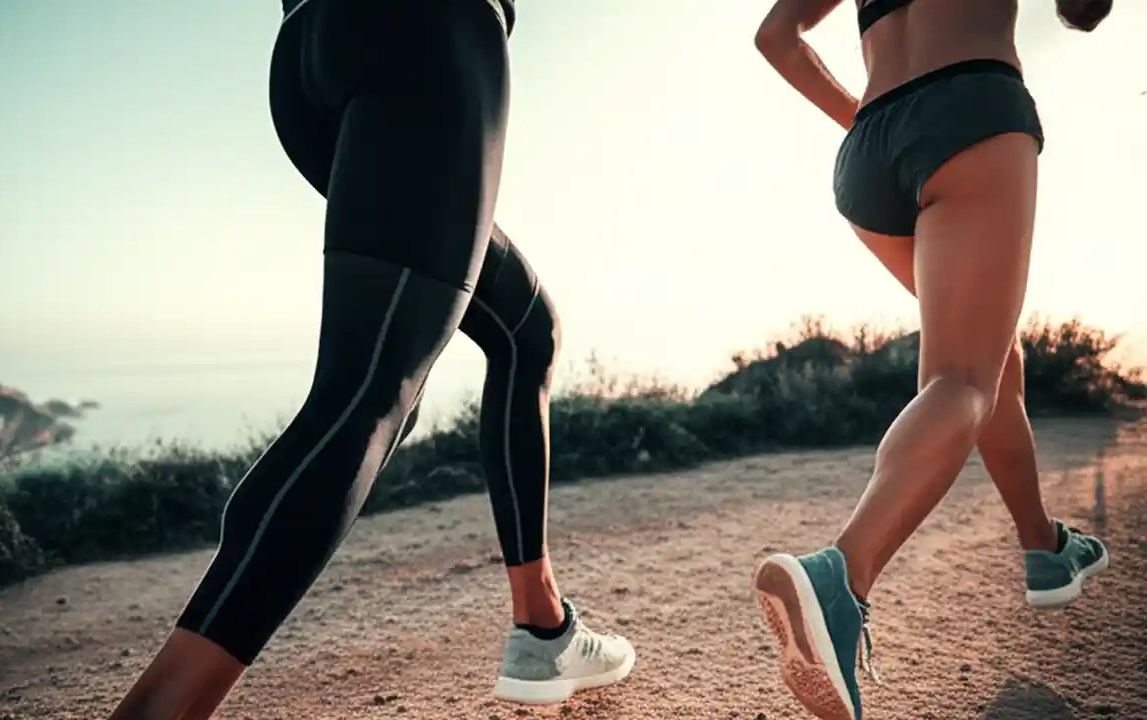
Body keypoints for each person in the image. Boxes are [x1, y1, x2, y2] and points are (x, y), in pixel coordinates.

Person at [109, 0, 635, 717]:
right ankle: (158, 710)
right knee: (366, 396)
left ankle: (542, 628)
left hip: (309, 49)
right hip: (428, 32)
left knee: (525, 332)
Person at [749, 1, 1113, 718]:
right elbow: (1084, 10)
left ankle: (1044, 547)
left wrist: (867, 116)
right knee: (963, 377)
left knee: (988, 352)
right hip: (969, 108)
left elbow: (776, 37)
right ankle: (839, 576)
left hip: (869, 150)